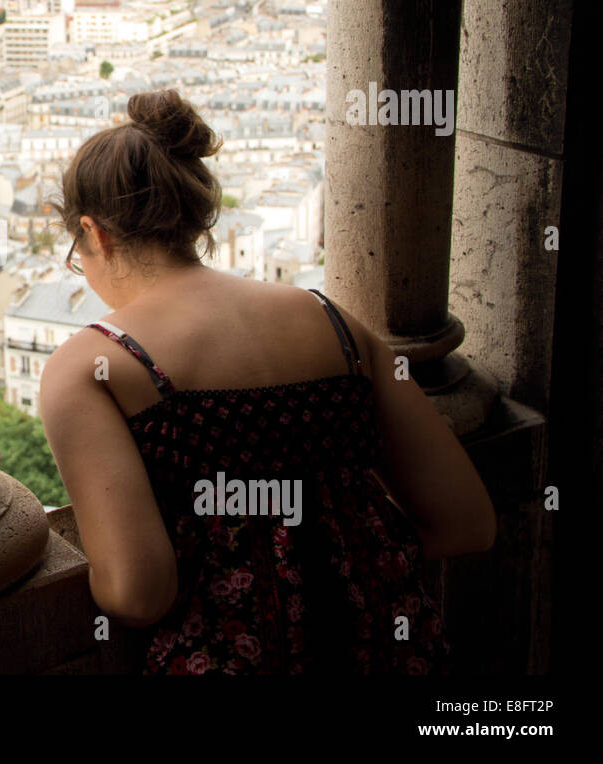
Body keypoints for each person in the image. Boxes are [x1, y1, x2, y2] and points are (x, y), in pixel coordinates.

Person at [37, 88, 496, 674]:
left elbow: (136, 594)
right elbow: (467, 523)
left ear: (92, 233)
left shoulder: (91, 365)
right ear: (195, 214)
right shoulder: (333, 322)